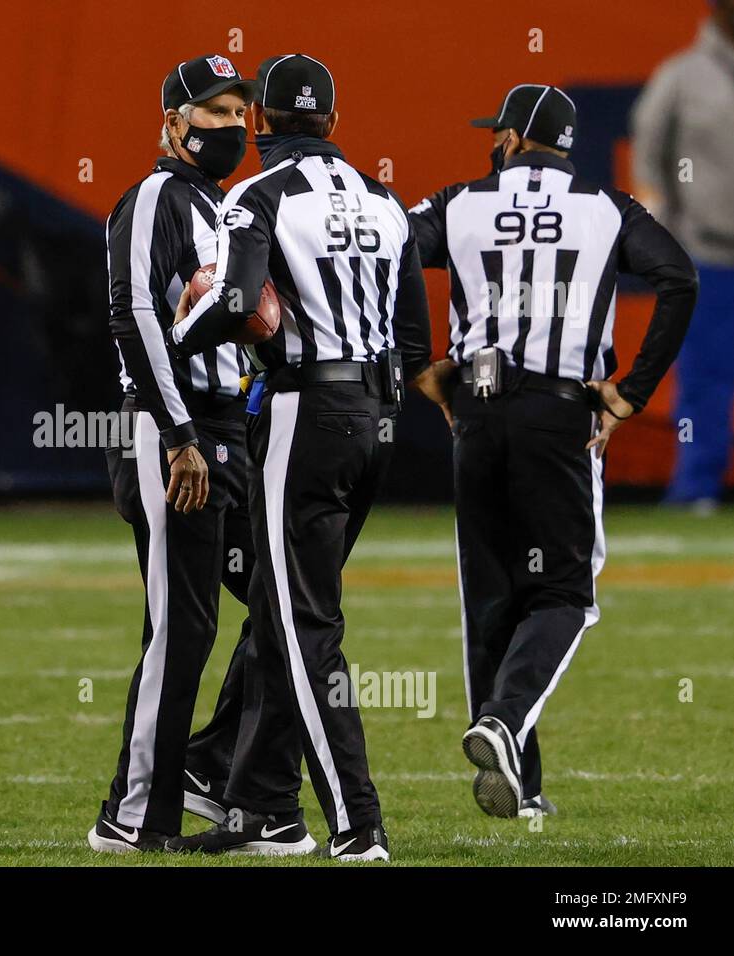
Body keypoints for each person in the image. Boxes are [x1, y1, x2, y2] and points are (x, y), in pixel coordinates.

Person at [164, 54, 433, 860]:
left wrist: (185, 328)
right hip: (374, 415)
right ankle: (257, 805)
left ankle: (358, 822)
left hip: (303, 411)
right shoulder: (386, 201)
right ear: (335, 124)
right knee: (286, 617)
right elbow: (416, 340)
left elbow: (241, 301)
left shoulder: (256, 195)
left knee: (299, 621)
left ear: (262, 126)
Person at [409, 84, 697, 818]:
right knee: (565, 592)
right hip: (559, 412)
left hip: (477, 408)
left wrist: (418, 366)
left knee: (492, 598)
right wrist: (630, 390)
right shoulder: (607, 208)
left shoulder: (459, 202)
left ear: (509, 138)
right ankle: (505, 726)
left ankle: (520, 783)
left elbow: (388, 258)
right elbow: (677, 277)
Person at [88, 54, 264, 853]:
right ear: (172, 122)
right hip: (175, 433)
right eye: (215, 111)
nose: (232, 126)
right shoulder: (155, 198)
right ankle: (131, 818)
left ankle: (215, 766)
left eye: (241, 113)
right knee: (182, 627)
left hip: (229, 431)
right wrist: (178, 435)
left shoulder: (225, 208)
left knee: (286, 611)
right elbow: (133, 317)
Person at [632, 0, 734, 511]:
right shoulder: (681, 77)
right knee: (703, 381)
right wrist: (660, 247)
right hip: (708, 251)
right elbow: (649, 162)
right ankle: (697, 488)